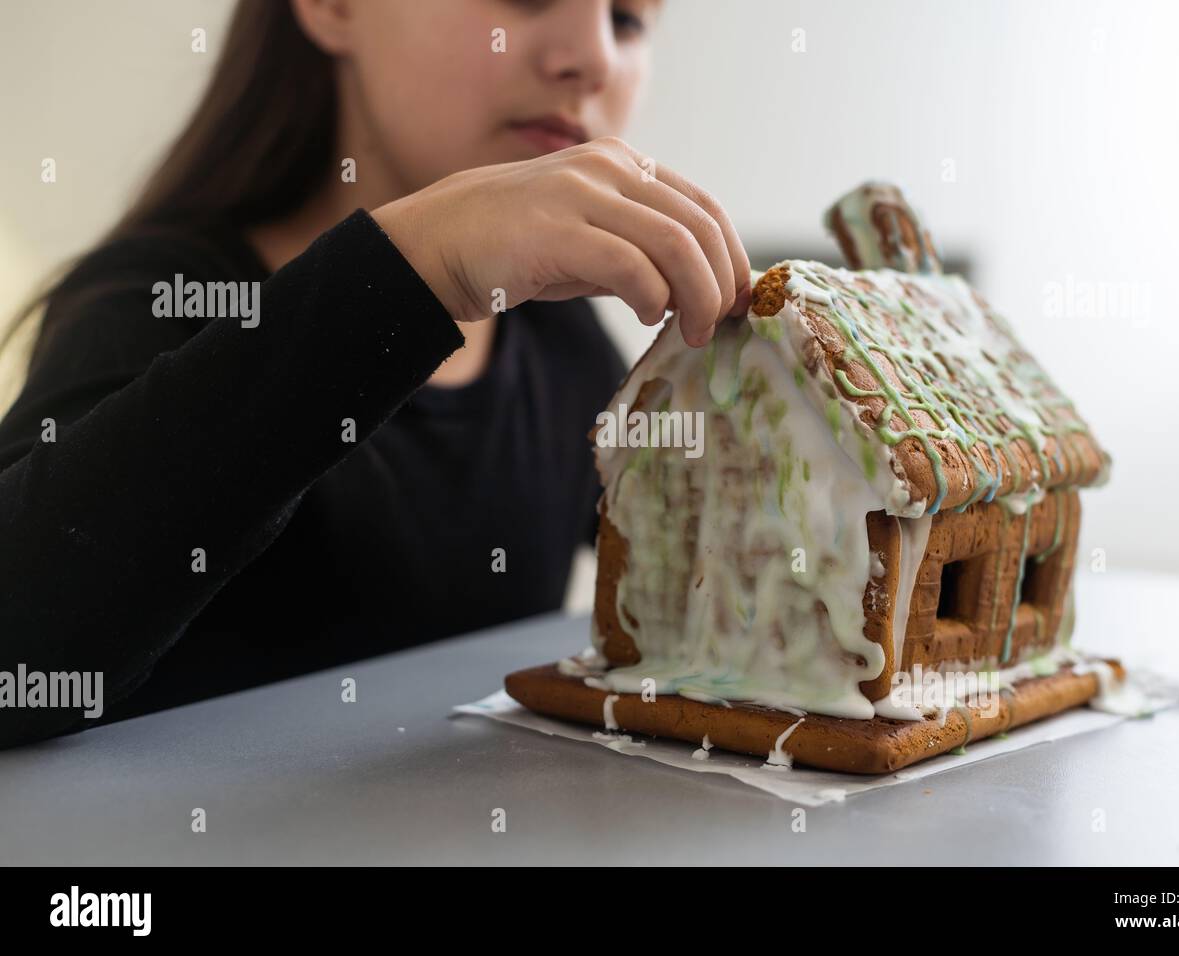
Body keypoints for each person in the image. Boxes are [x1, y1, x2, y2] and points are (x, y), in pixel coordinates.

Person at [0, 0, 751, 747]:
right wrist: (415, 269)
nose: (592, 57)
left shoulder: (560, 337)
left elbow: (713, 566)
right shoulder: (161, 297)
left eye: (627, 19)